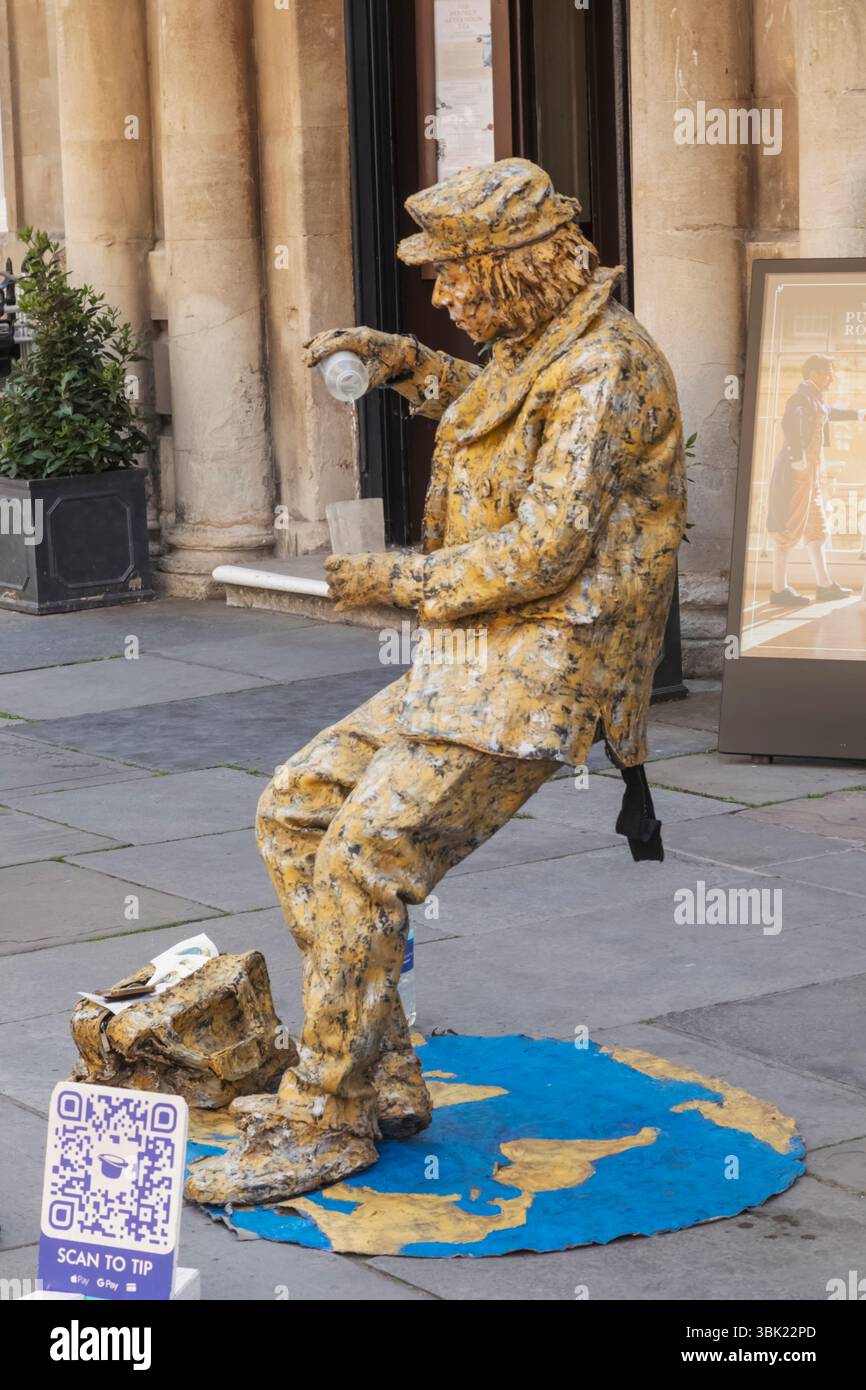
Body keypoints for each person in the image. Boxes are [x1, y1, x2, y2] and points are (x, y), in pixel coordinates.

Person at [185, 159, 687, 1206]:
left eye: (457, 281)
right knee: (295, 810)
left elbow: (545, 548)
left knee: (367, 853)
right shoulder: (539, 347)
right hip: (476, 659)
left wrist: (395, 580)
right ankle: (380, 1069)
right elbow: (503, 410)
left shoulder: (605, 368)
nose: (447, 299)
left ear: (514, 269)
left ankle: (326, 1114)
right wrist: (404, 362)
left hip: (548, 666)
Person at [766, 354, 863, 605]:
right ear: (814, 375)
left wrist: (858, 414)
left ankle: (824, 585)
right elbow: (791, 424)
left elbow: (832, 412)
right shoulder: (800, 399)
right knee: (788, 530)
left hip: (811, 475)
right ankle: (779, 589)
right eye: (828, 373)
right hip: (799, 474)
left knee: (816, 529)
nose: (832, 377)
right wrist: (798, 458)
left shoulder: (814, 400)